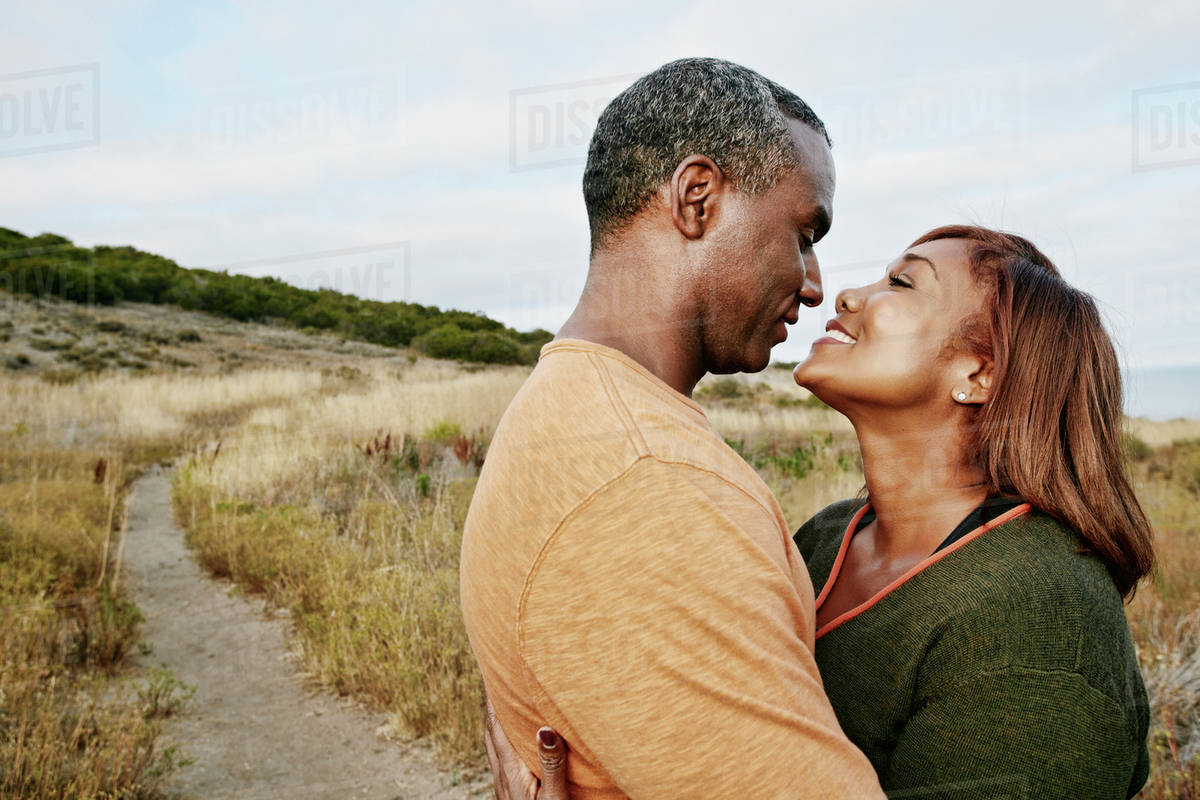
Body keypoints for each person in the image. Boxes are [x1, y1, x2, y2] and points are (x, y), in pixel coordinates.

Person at [487, 225, 1155, 799]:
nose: (846, 295)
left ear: (979, 373)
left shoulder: (1041, 615)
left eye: (902, 284)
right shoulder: (827, 536)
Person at [460, 58, 887, 799]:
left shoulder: (563, 407)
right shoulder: (651, 483)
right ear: (697, 199)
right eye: (804, 232)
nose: (815, 284)